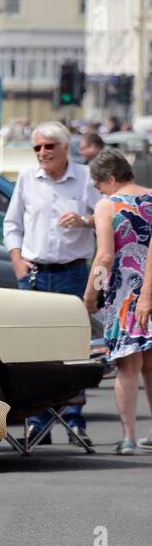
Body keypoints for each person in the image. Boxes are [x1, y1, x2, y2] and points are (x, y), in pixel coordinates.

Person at [3, 121, 101, 444]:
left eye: (49, 146)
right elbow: (12, 224)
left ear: (65, 147)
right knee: (32, 351)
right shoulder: (28, 180)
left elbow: (105, 219)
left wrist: (84, 220)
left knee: (74, 348)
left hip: (72, 272)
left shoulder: (85, 178)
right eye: (37, 148)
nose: (42, 153)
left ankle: (74, 420)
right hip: (34, 274)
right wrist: (17, 260)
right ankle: (37, 421)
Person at [82, 149, 152, 454]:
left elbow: (105, 256)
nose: (99, 191)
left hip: (125, 293)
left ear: (110, 178)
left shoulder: (108, 205)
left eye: (99, 185)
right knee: (150, 366)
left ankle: (128, 436)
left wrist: (91, 293)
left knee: (127, 366)